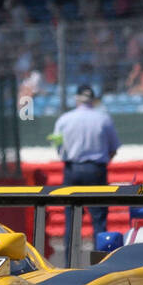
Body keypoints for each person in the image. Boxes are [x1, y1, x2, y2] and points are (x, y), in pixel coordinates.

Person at [52, 84, 119, 259]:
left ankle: (69, 262)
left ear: (76, 99)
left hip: (72, 169)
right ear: (93, 100)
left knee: (72, 218)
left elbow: (57, 145)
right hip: (96, 169)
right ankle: (100, 261)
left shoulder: (64, 119)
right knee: (99, 219)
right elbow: (113, 148)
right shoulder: (103, 119)